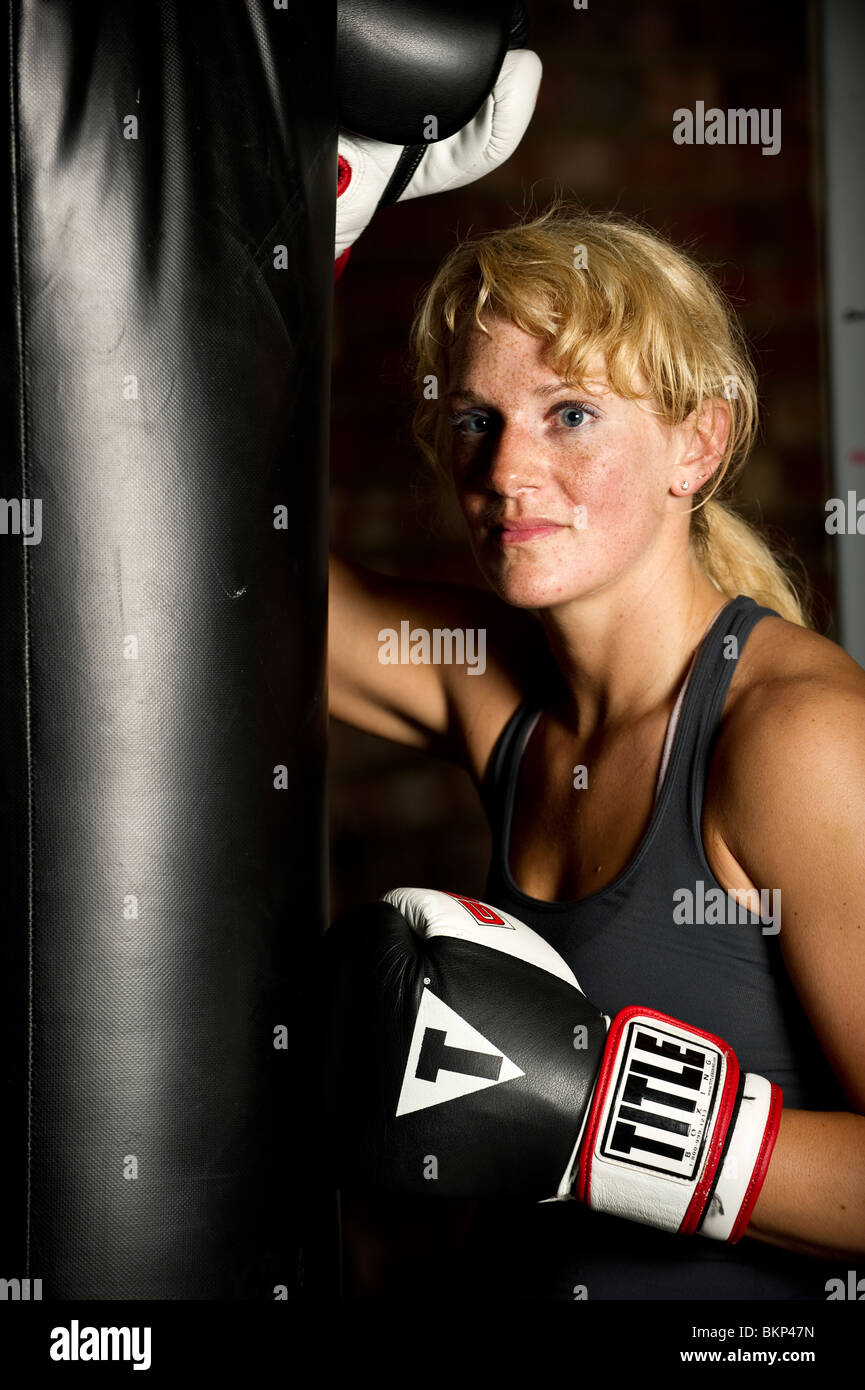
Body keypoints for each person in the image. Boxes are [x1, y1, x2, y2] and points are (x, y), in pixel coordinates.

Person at [327, 202, 865, 1299]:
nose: (506, 470)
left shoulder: (794, 735)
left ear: (698, 444)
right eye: (478, 420)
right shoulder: (501, 693)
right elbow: (228, 584)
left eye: (569, 413)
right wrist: (308, 228)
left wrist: (608, 1123)